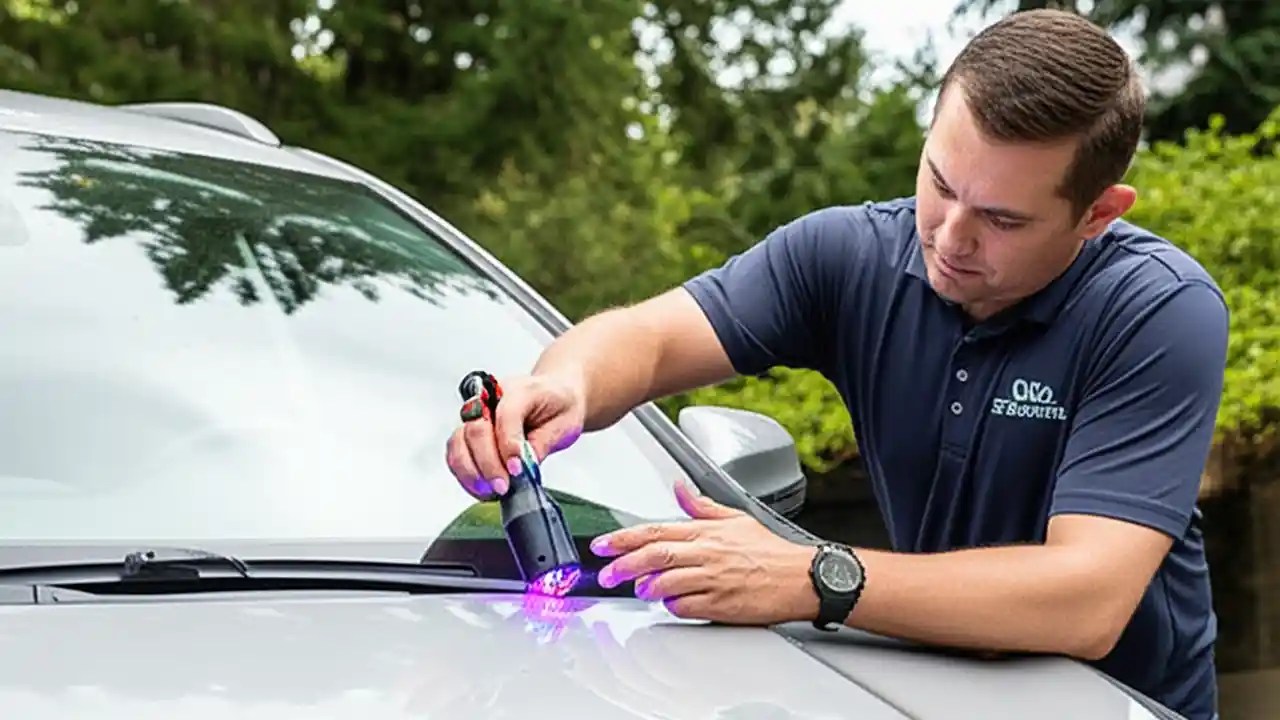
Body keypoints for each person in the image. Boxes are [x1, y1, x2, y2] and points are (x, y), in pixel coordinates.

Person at [444, 8, 1226, 720]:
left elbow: (1084, 602)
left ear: (1098, 214)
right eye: (940, 182)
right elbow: (645, 339)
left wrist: (813, 576)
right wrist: (562, 385)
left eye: (1001, 219)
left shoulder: (1158, 312)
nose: (951, 238)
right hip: (922, 697)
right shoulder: (848, 257)